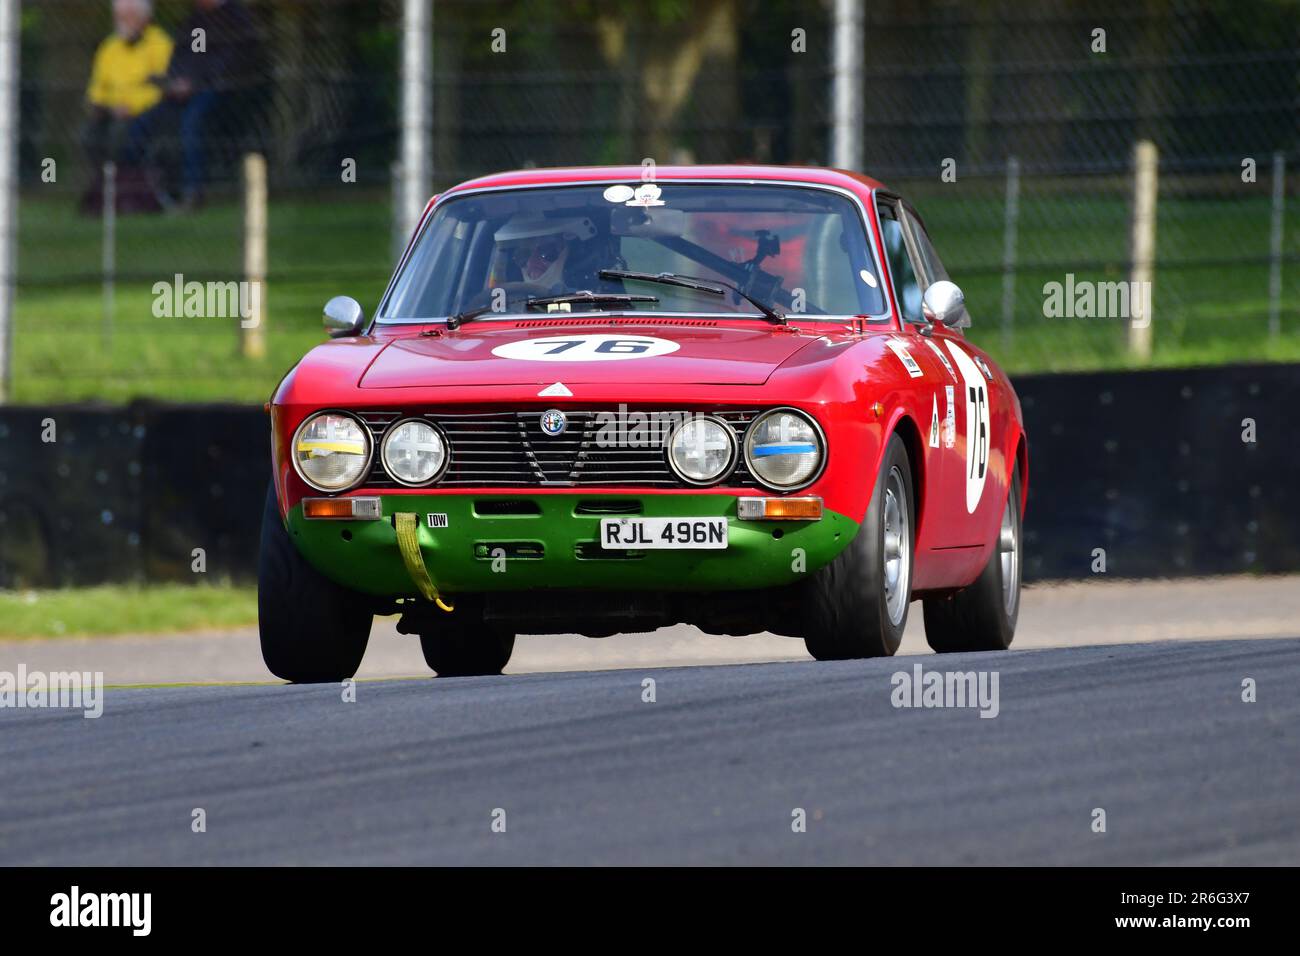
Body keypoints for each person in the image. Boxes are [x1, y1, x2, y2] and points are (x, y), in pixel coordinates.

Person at [126, 0, 262, 210]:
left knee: (193, 121)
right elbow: (180, 57)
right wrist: (175, 80)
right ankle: (131, 192)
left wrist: (195, 82)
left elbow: (233, 63)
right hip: (182, 93)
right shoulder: (194, 21)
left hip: (223, 93)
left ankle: (193, 191)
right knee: (142, 124)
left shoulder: (236, 19)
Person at [80, 0, 172, 209]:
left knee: (120, 136)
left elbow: (161, 87)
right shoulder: (109, 47)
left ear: (144, 18)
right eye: (120, 16)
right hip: (111, 111)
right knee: (88, 136)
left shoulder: (160, 43)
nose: (123, 21)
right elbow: (97, 89)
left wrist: (132, 106)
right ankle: (105, 190)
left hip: (145, 112)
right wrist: (100, 106)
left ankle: (131, 192)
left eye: (129, 16)